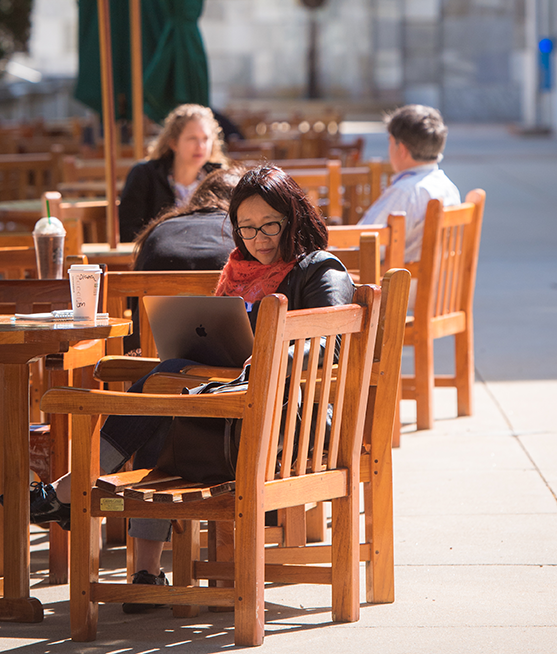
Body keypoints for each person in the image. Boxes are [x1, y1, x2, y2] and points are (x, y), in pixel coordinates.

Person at [29, 165, 353, 610]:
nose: (258, 239)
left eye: (270, 226)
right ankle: (144, 572)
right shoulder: (237, 272)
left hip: (286, 426)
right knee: (169, 386)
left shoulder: (320, 268)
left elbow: (331, 343)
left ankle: (73, 492)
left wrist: (273, 354)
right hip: (229, 413)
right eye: (247, 228)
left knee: (166, 391)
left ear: (294, 217)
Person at [124, 166, 242, 351]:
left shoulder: (160, 229)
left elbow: (133, 305)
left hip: (147, 351)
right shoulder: (242, 233)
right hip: (225, 356)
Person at [360, 104, 461, 263]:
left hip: (400, 286)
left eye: (391, 142)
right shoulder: (449, 187)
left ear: (402, 149)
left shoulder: (406, 191)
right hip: (436, 286)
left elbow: (362, 246)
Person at [119, 104, 228, 243]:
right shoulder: (144, 175)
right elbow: (129, 230)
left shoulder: (218, 178)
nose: (200, 146)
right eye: (192, 138)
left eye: (206, 138)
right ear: (174, 143)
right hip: (156, 256)